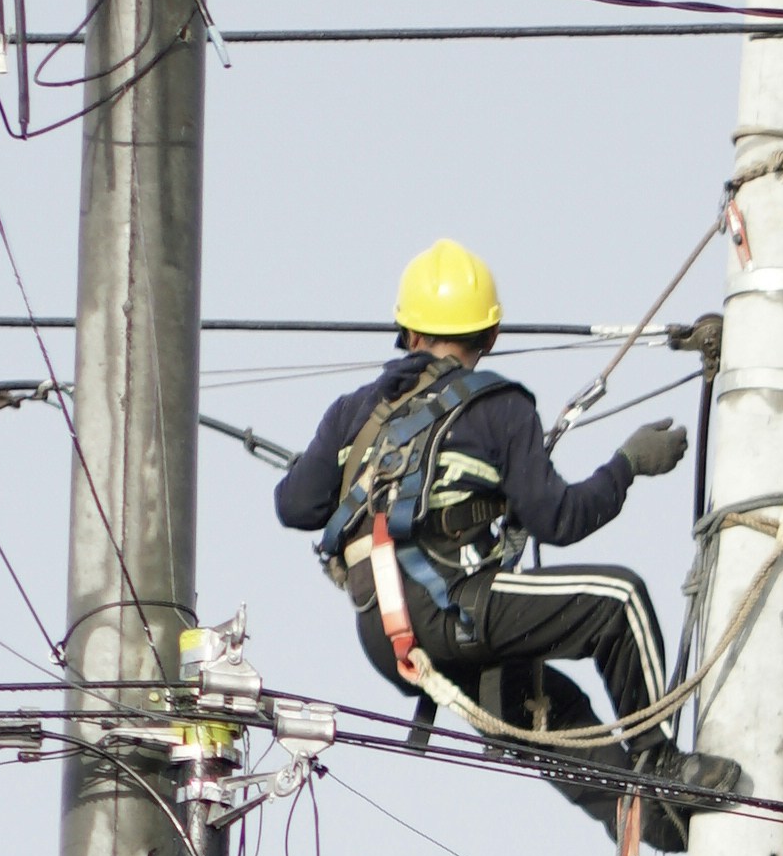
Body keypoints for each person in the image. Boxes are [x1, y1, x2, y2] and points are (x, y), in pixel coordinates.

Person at [276, 236, 689, 744]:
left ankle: (663, 820)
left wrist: (332, 469)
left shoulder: (354, 412)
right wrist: (628, 464)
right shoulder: (500, 407)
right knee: (619, 600)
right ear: (491, 335)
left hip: (381, 632)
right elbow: (559, 520)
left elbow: (295, 505)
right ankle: (661, 761)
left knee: (554, 712)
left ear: (406, 332)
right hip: (452, 607)